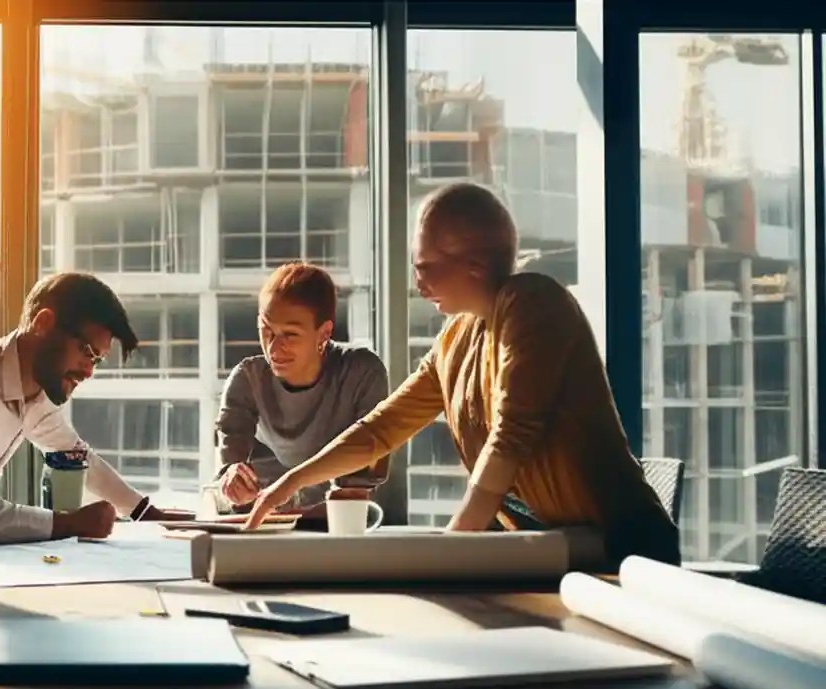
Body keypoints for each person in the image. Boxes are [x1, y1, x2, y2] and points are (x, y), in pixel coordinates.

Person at [244, 183, 680, 566]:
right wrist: (291, 482)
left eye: (424, 268)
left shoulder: (534, 302)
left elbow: (512, 434)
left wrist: (452, 549)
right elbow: (382, 428)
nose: (418, 284)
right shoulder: (455, 338)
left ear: (473, 264)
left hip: (623, 555)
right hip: (543, 549)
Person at [0, 272, 193, 544]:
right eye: (86, 352)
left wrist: (146, 513)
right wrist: (68, 523)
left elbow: (79, 456)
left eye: (97, 361)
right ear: (43, 323)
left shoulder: (35, 398)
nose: (88, 372)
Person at [214, 262, 389, 513]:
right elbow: (226, 471)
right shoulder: (248, 379)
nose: (273, 349)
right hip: (266, 517)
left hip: (343, 518)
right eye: (267, 331)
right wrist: (233, 482)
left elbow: (360, 485)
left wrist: (295, 510)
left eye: (290, 335)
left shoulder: (362, 373)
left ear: (324, 333)